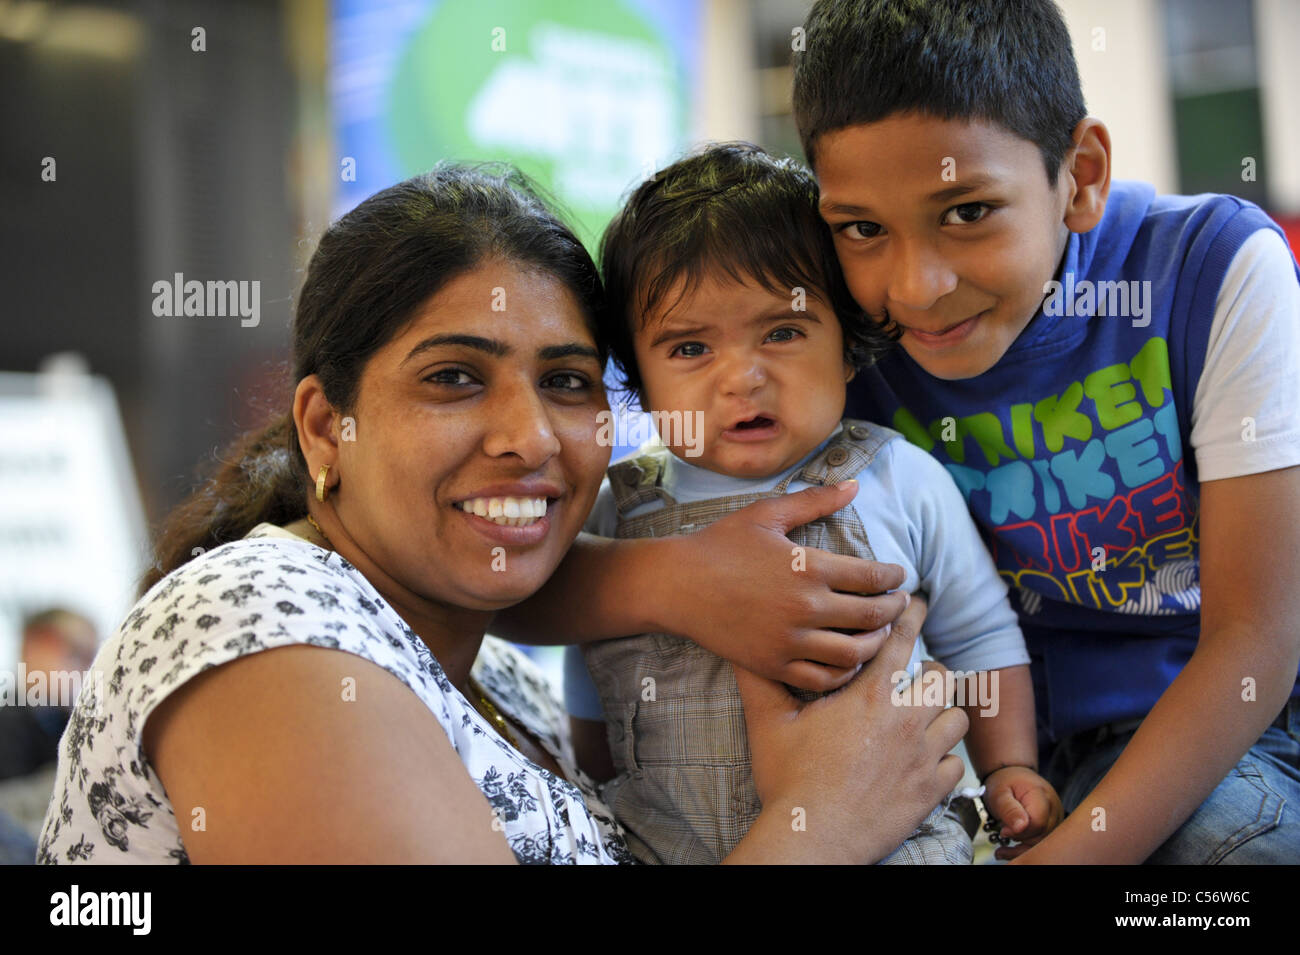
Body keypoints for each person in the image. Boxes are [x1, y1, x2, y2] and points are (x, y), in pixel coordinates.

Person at [36, 163, 967, 865]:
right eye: (454, 378)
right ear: (326, 428)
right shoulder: (260, 617)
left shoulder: (515, 691)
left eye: (566, 381)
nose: (530, 437)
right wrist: (824, 824)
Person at [789, 0, 1300, 862]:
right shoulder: (837, 338)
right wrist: (675, 582)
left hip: (1237, 728)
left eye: (967, 211)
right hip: (998, 761)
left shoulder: (1212, 270)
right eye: (863, 229)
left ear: (1082, 174)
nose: (915, 288)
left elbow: (1257, 636)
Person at [559, 143, 1060, 865]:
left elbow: (980, 635)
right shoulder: (619, 509)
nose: (743, 378)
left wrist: (1011, 765)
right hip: (668, 841)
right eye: (690, 348)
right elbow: (590, 654)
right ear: (637, 380)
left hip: (901, 837)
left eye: (784, 331)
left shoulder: (898, 477)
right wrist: (599, 774)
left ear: (849, 346)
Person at [0, 608, 97, 864]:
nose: (85, 670)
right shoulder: (8, 721)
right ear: (34, 647)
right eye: (78, 654)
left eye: (92, 659)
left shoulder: (70, 722)